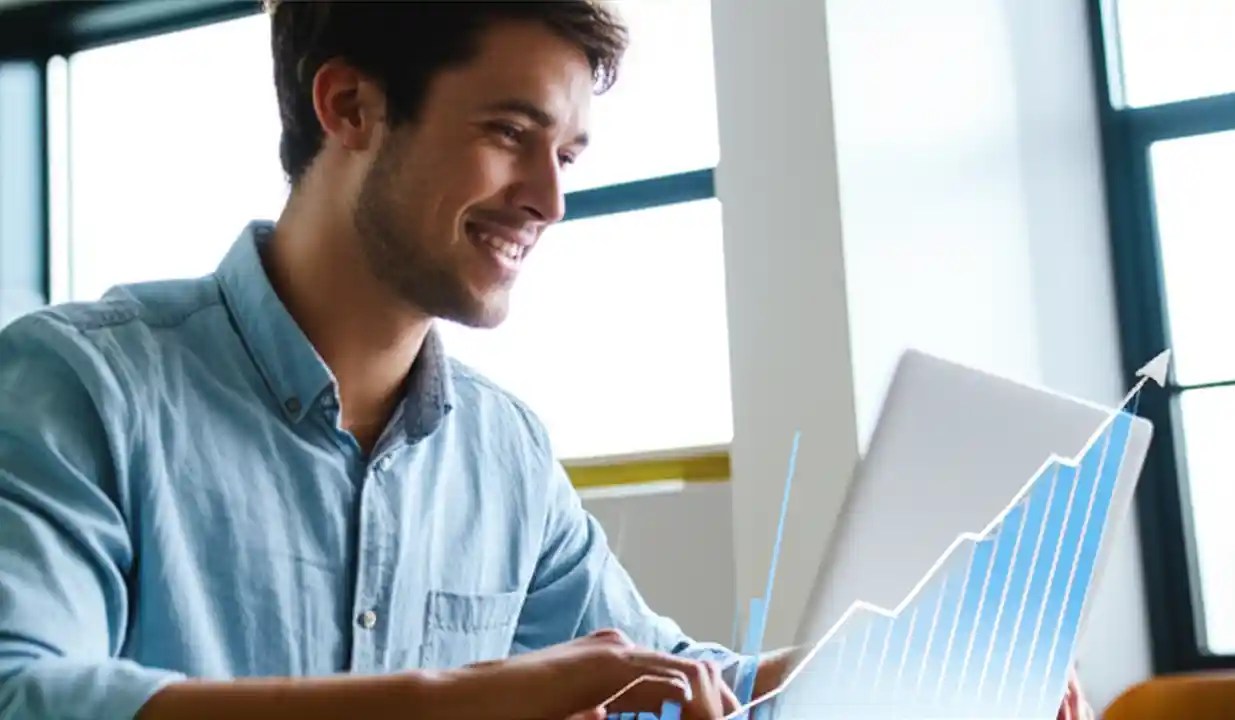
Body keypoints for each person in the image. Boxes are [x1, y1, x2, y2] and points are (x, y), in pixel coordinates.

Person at [0, 1, 1089, 719]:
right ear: (350, 106)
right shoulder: (81, 388)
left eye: (564, 154)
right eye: (509, 133)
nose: (550, 200)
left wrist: (918, 674)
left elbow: (670, 680)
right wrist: (462, 701)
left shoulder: (501, 453)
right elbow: (25, 694)